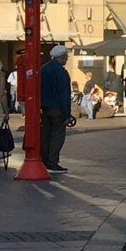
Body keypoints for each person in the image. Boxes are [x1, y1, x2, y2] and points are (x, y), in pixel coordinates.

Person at [39, 44, 72, 174]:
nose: (67, 59)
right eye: (66, 57)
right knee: (58, 136)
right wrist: (67, 114)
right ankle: (53, 162)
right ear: (62, 57)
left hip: (44, 107)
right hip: (57, 108)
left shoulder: (44, 69)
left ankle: (44, 160)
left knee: (46, 134)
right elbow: (64, 94)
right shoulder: (61, 72)